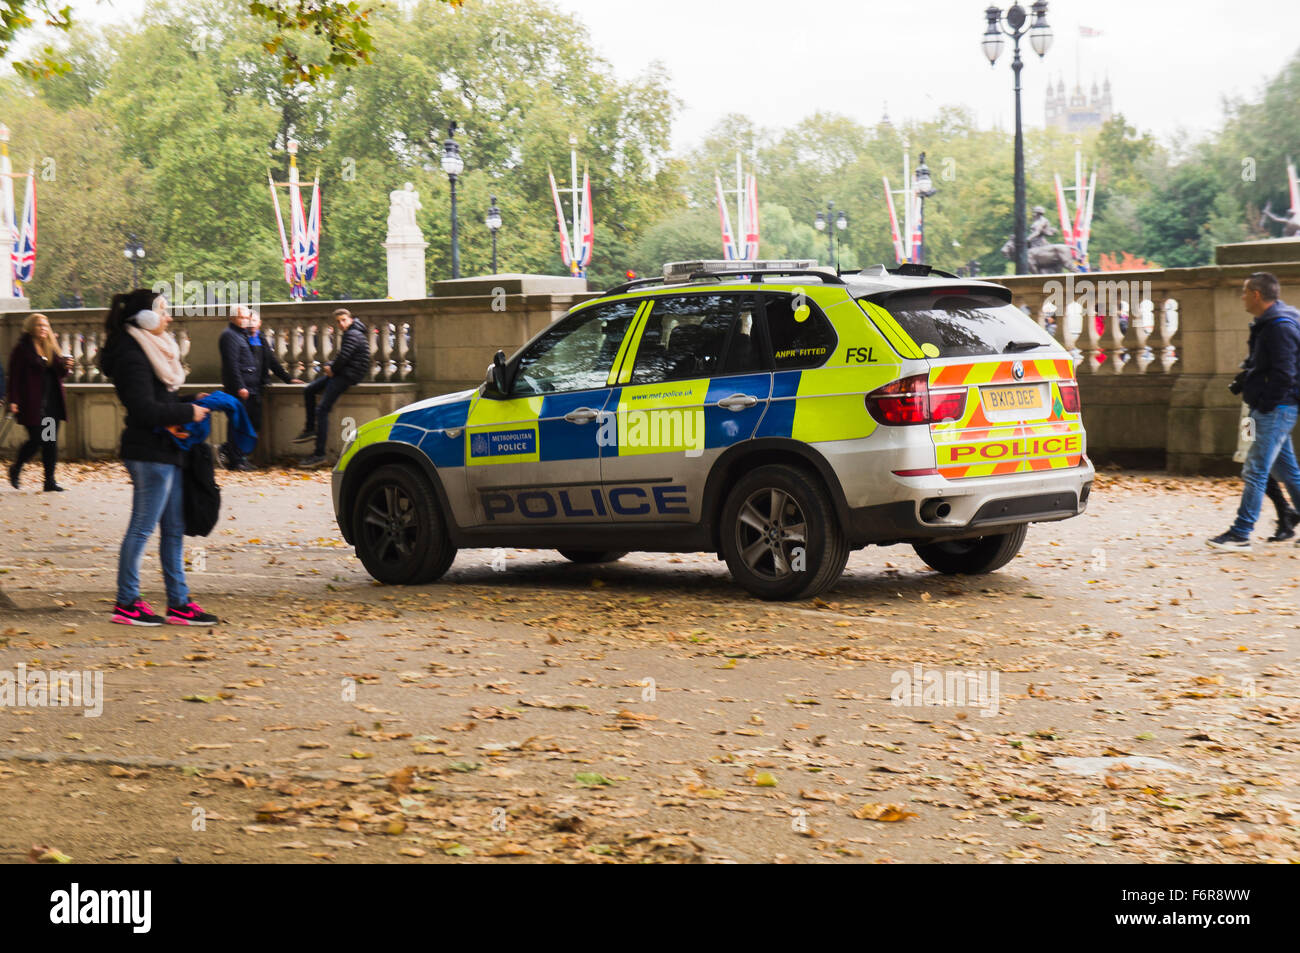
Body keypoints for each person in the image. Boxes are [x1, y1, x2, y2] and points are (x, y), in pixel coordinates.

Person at [97, 288, 219, 625]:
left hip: (166, 451)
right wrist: (187, 412)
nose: (169, 317)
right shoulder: (131, 354)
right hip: (148, 452)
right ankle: (126, 602)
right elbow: (144, 409)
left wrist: (192, 399)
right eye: (163, 311)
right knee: (142, 528)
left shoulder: (151, 349)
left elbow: (160, 399)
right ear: (145, 318)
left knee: (174, 529)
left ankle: (179, 603)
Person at [1208, 272, 1300, 551]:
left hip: (1275, 409)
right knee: (1287, 471)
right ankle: (1255, 527)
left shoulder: (1279, 326)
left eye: (1245, 292)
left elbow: (1286, 374)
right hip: (1267, 408)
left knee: (1256, 468)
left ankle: (1241, 532)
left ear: (1257, 295)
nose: (1242, 297)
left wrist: (1266, 403)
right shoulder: (1270, 323)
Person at [294, 308, 369, 468]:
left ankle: (319, 454)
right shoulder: (352, 332)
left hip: (347, 376)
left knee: (322, 409)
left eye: (343, 320)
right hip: (342, 373)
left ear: (350, 319)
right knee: (309, 390)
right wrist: (331, 366)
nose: (341, 324)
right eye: (338, 321)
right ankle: (310, 429)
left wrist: (332, 369)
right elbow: (343, 356)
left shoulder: (353, 333)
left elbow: (345, 356)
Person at [6, 312, 72, 491]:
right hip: (31, 403)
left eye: (45, 325)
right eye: (39, 325)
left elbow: (60, 373)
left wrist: (66, 366)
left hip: (51, 403)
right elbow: (14, 377)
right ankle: (16, 467)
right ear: (31, 328)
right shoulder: (22, 349)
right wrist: (13, 400)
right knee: (36, 439)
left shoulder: (51, 346)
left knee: (50, 441)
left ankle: (49, 481)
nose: (43, 328)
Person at [217, 305, 258, 471]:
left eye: (247, 317)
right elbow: (231, 364)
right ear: (233, 317)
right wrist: (240, 386)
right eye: (242, 317)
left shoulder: (241, 334)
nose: (246, 320)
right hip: (239, 389)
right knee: (236, 424)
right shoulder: (229, 335)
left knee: (241, 424)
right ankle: (235, 459)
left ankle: (239, 457)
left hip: (248, 387)